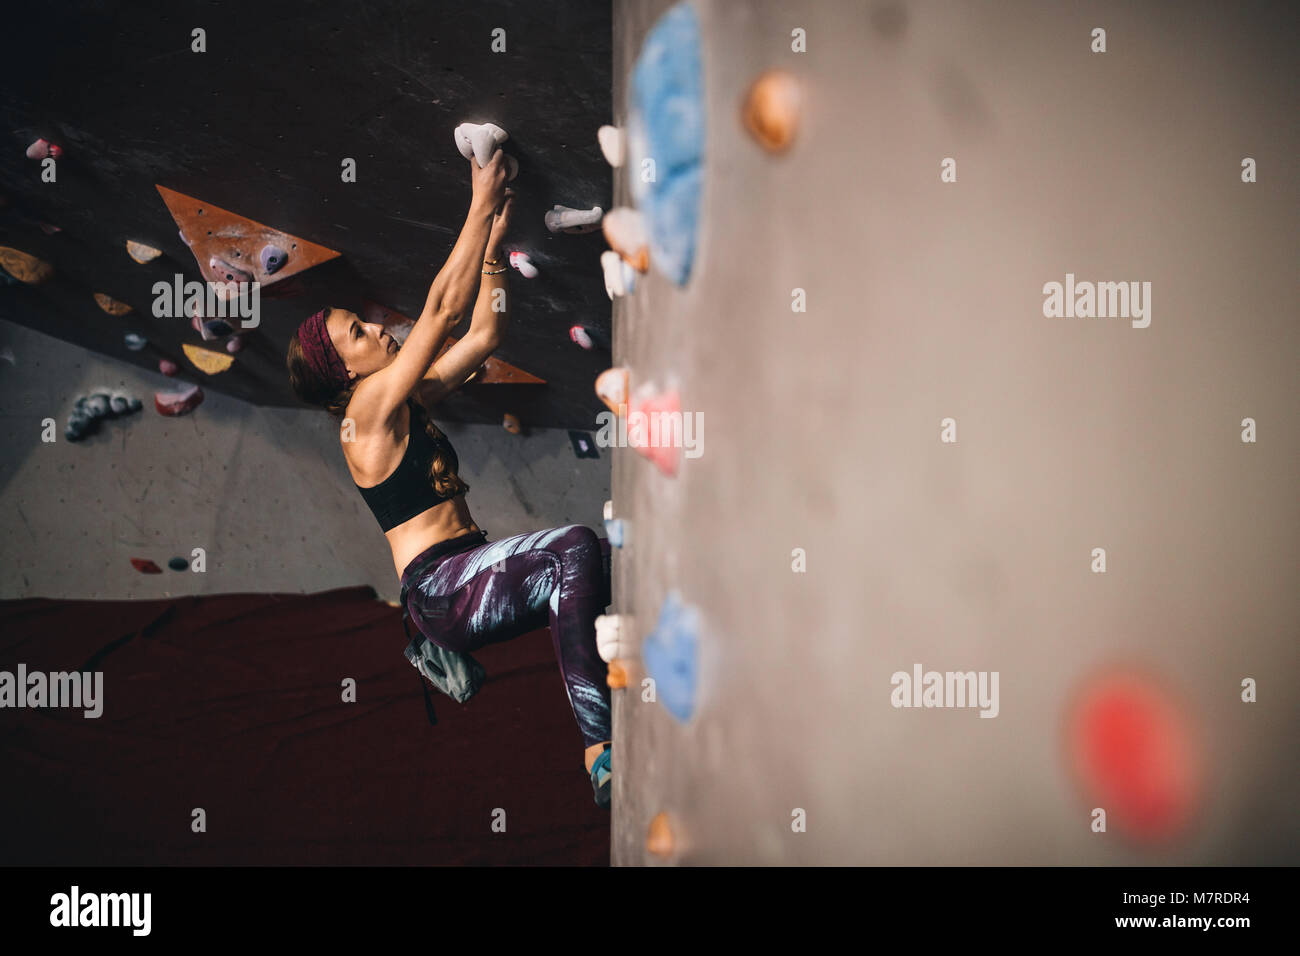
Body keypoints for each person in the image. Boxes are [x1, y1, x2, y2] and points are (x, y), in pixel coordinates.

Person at [285, 149, 613, 808]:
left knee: (593, 563)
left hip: (462, 581)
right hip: (442, 592)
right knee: (572, 547)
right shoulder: (365, 414)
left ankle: (627, 692)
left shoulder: (401, 403)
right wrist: (480, 202)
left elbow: (485, 331)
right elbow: (440, 313)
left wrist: (494, 252)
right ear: (343, 372)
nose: (378, 328)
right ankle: (601, 749)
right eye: (358, 331)